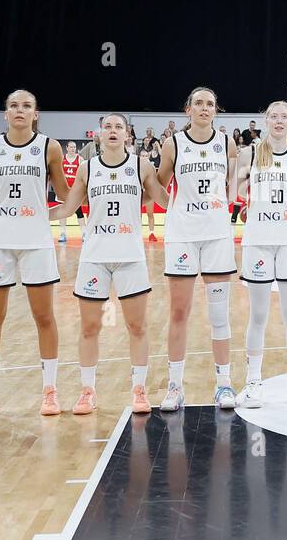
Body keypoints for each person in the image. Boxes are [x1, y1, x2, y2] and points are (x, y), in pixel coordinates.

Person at [0, 90, 71, 417]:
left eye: (26, 106)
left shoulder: (49, 147)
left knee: (44, 317)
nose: (19, 111)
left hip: (36, 241)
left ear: (35, 114)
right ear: (5, 113)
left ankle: (50, 390)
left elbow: (65, 193)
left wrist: (84, 202)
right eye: (13, 106)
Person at [52, 112, 167, 415]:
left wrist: (199, 193)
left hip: (130, 256)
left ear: (128, 134)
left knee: (137, 326)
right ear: (98, 134)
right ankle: (87, 390)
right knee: (90, 327)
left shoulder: (140, 165)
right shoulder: (87, 169)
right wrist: (35, 214)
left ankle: (138, 389)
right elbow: (68, 206)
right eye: (108, 127)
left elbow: (163, 199)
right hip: (95, 257)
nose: (113, 131)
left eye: (119, 127)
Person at [156, 86, 239, 412]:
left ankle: (224, 383)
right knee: (179, 313)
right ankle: (175, 386)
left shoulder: (227, 143)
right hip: (182, 238)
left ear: (215, 110)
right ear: (187, 109)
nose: (204, 108)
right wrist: (176, 212)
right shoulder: (172, 143)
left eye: (210, 104)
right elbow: (160, 185)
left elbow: (232, 189)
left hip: (216, 236)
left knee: (219, 315)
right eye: (198, 103)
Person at [234, 100, 287, 407]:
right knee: (258, 315)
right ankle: (253, 381)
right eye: (273, 116)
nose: (279, 121)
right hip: (257, 240)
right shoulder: (250, 154)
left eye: (285, 116)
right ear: (265, 120)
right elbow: (233, 192)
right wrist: (242, 193)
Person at [59, 139, 82, 245]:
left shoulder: (80, 159)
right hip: (64, 190)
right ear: (67, 148)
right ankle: (63, 233)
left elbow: (83, 175)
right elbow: (58, 174)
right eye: (71, 147)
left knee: (79, 211)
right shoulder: (62, 159)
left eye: (74, 147)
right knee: (63, 212)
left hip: (75, 190)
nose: (73, 149)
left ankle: (84, 233)